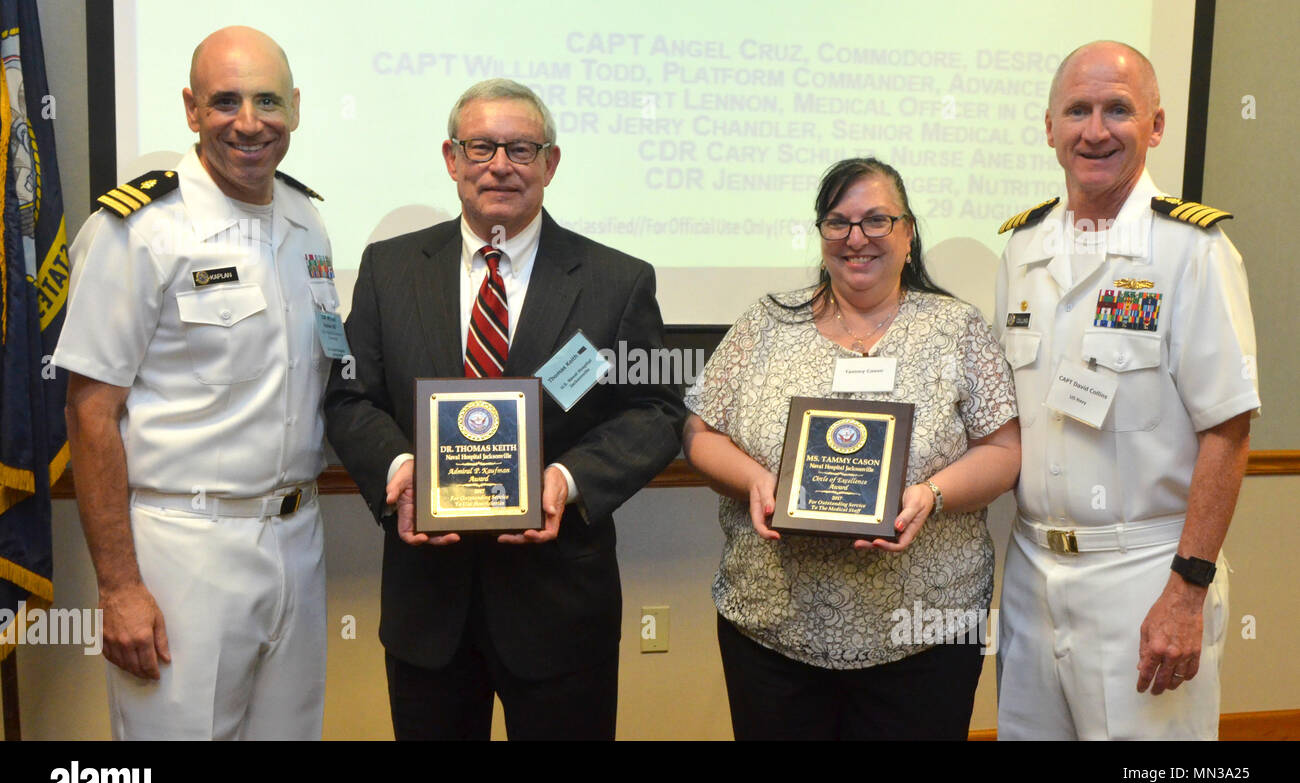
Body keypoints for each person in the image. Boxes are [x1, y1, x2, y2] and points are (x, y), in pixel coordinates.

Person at [324, 79, 684, 741]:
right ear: (451, 158)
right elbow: (350, 397)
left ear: (550, 163)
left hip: (560, 608)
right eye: (482, 146)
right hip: (427, 607)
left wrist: (568, 480)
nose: (500, 165)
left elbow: (657, 409)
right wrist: (402, 468)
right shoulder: (388, 269)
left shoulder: (616, 280)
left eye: (520, 148)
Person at [54, 27, 334, 739]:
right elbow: (91, 413)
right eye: (225, 101)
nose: (249, 122)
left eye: (268, 100)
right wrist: (119, 586)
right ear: (189, 108)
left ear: (296, 108)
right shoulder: (139, 229)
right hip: (185, 552)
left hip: (298, 543)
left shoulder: (309, 223)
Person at [682, 158, 1020, 740]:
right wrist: (755, 481)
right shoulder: (766, 323)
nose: (855, 238)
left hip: (922, 636)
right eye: (837, 222)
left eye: (875, 221)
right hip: (773, 632)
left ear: (908, 232)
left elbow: (1004, 449)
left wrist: (930, 495)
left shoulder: (956, 328)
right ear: (821, 236)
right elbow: (699, 432)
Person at [993, 41, 1259, 740]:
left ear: (1157, 126)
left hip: (1144, 572)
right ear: (1049, 126)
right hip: (1031, 574)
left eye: (1118, 109)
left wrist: (1186, 590)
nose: (1095, 129)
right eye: (1076, 110)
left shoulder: (1192, 250)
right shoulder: (1022, 249)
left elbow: (1227, 431)